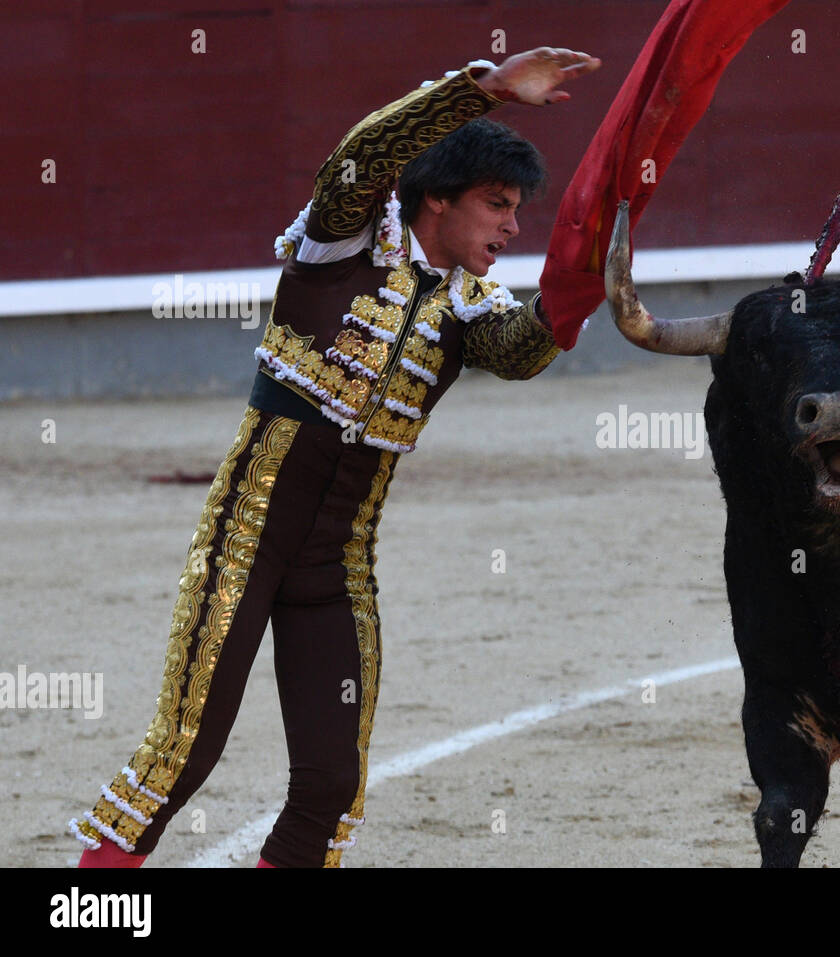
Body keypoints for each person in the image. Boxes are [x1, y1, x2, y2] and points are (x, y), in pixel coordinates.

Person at [68, 46, 600, 868]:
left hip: (339, 565)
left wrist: (585, 270)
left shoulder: (469, 305)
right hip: (247, 540)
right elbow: (365, 154)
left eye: (518, 209)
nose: (512, 226)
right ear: (435, 197)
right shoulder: (342, 242)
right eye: (497, 204)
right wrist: (481, 91)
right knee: (181, 752)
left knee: (330, 784)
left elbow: (526, 350)